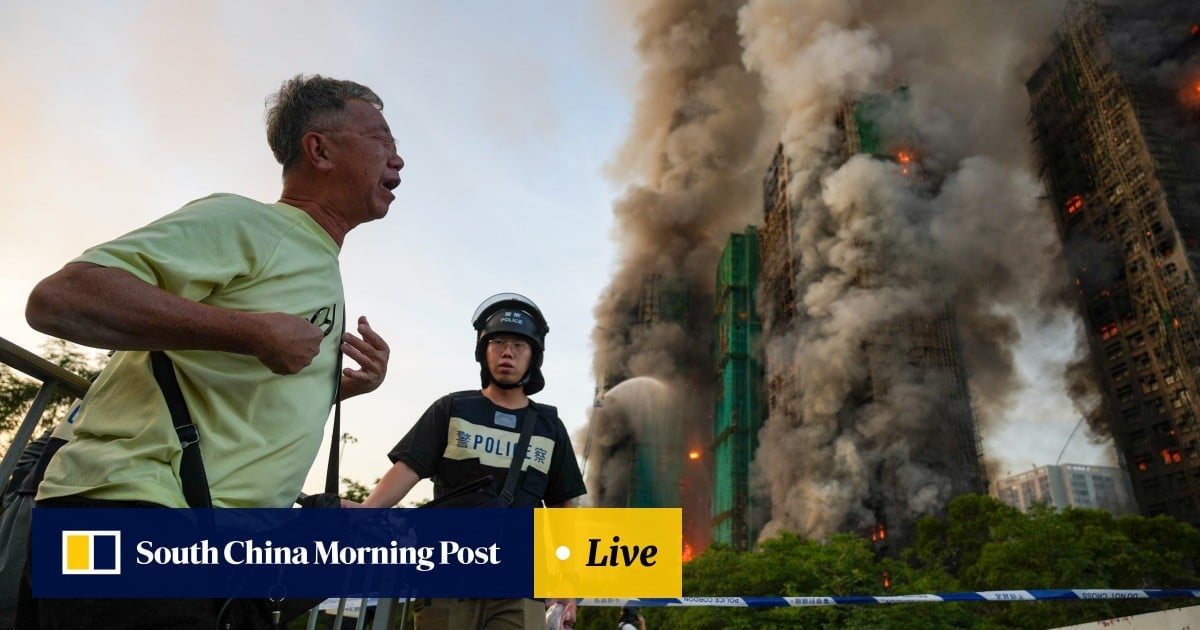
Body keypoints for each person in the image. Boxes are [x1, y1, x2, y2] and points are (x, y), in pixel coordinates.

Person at [18, 73, 400, 629]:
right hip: (133, 518)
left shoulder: (317, 260)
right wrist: (249, 333)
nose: (398, 158)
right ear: (318, 149)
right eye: (381, 139)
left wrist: (337, 387)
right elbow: (59, 299)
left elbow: (231, 379)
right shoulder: (253, 222)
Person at [358, 292, 586, 629]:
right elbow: (407, 469)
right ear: (483, 351)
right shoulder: (452, 409)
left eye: (519, 346)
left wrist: (566, 582)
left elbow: (565, 507)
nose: (508, 352)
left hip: (520, 584)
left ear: (533, 357)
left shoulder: (549, 426)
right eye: (498, 342)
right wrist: (365, 513)